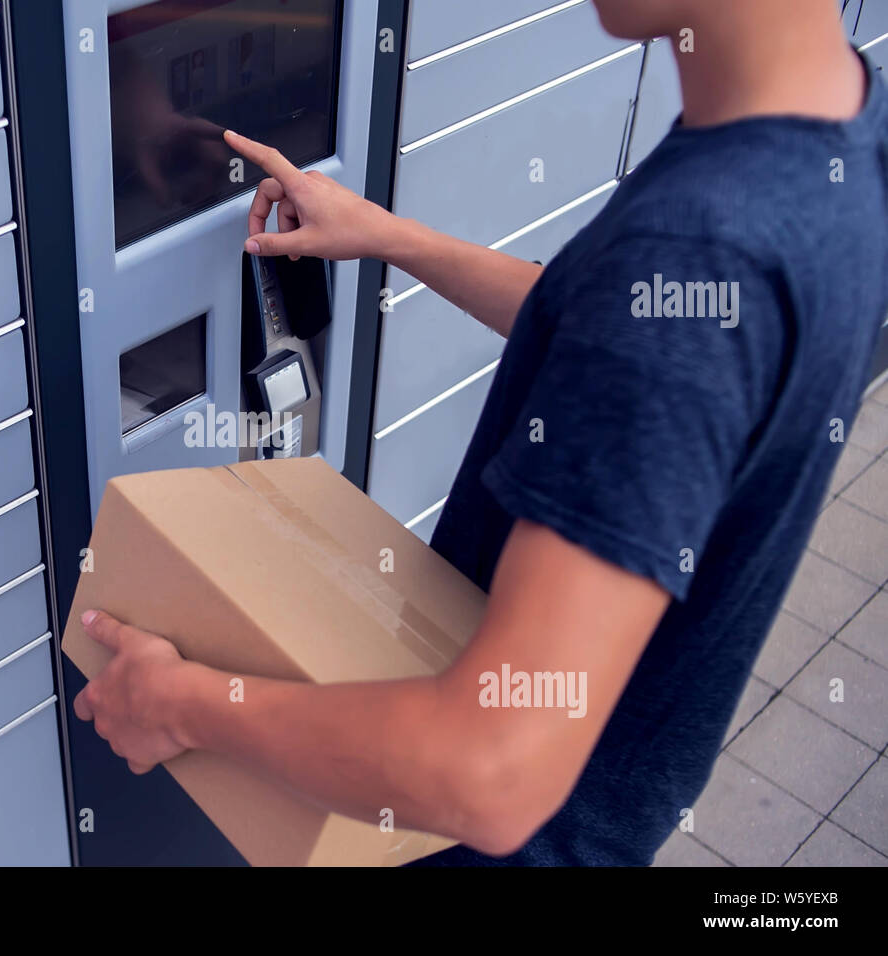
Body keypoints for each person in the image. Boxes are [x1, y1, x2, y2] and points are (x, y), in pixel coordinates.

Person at [73, 0, 888, 865]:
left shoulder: (696, 249)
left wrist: (182, 705)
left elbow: (490, 772)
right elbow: (624, 335)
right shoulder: (838, 129)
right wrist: (392, 239)